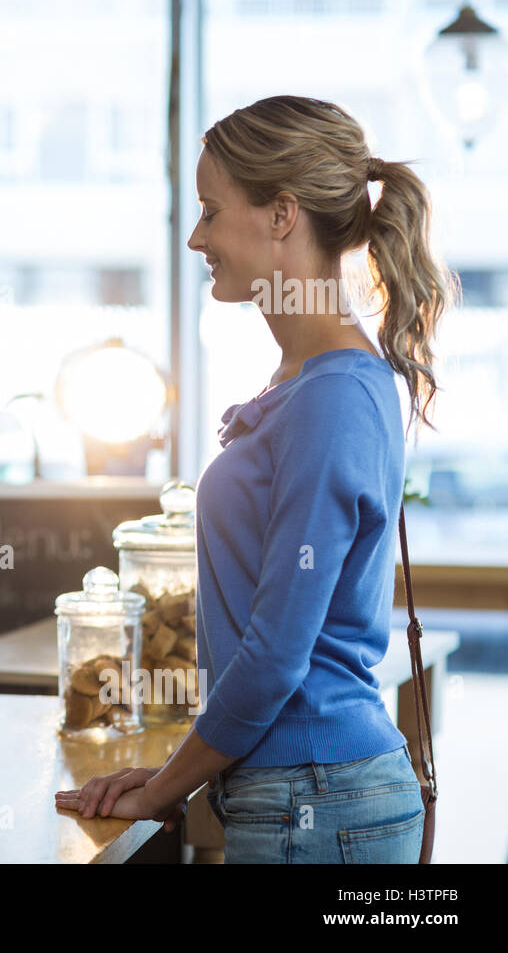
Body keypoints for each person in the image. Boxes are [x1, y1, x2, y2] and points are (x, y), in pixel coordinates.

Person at [54, 95, 451, 863]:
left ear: (281, 216)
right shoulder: (305, 386)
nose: (198, 237)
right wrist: (177, 773)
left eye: (210, 210)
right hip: (305, 791)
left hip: (319, 798)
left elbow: (274, 655)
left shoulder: (333, 395)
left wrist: (164, 787)